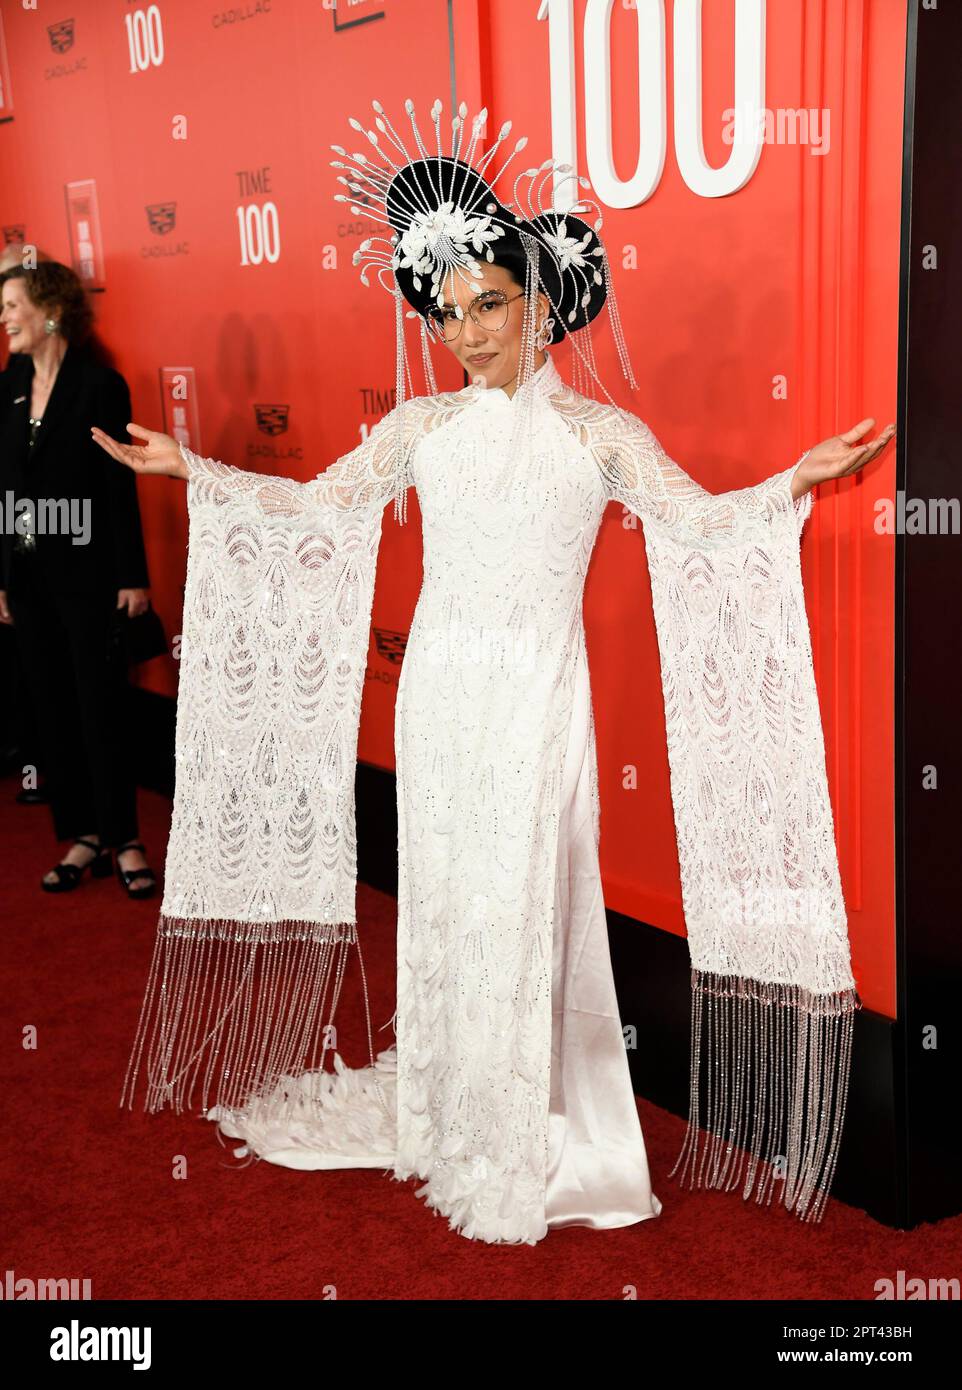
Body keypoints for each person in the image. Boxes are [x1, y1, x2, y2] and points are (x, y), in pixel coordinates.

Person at [95, 100, 893, 1245]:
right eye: (450, 309)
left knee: (534, 896)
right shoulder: (420, 426)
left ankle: (539, 1115)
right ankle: (447, 1097)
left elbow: (697, 529)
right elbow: (315, 511)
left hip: (535, 701)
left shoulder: (599, 435)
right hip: (439, 703)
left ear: (542, 303)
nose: (466, 332)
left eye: (490, 306)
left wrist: (788, 485)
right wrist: (196, 471)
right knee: (446, 897)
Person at [0, 261, 157, 897]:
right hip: (27, 575)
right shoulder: (6, 385)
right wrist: (3, 575)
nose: (4, 319)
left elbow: (119, 486)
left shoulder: (100, 386)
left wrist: (131, 575)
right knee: (50, 707)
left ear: (51, 311)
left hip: (89, 575)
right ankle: (82, 834)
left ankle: (124, 838)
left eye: (12, 306)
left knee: (100, 706)